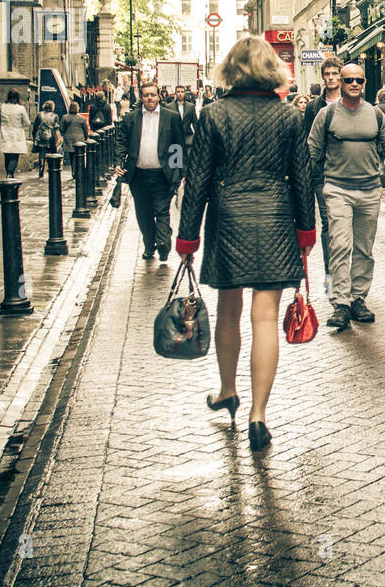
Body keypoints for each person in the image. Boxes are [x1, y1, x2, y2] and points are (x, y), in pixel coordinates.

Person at [175, 36, 316, 452]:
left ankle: (226, 390)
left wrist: (187, 236)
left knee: (228, 312)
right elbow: (302, 177)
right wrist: (306, 231)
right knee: (266, 318)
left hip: (228, 218)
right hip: (275, 218)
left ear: (231, 68)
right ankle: (258, 413)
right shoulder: (289, 116)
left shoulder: (214, 115)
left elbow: (197, 179)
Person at [307, 62, 385, 331]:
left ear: (365, 84)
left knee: (364, 249)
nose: (354, 84)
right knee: (340, 245)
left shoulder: (375, 115)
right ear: (341, 82)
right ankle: (340, 304)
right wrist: (299, 186)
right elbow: (311, 152)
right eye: (349, 79)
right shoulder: (327, 115)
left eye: (359, 80)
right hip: (337, 189)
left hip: (369, 190)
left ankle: (358, 299)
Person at [115, 82, 186, 261]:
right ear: (142, 97)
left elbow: (177, 146)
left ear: (158, 96)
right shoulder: (131, 118)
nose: (149, 98)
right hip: (138, 176)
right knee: (143, 214)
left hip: (162, 175)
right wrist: (118, 162)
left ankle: (163, 243)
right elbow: (122, 142)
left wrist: (178, 173)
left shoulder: (171, 117)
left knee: (162, 210)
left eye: (152, 95)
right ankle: (149, 244)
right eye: (146, 95)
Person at [303, 57, 343, 276]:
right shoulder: (313, 107)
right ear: (323, 77)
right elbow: (307, 140)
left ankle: (346, 273)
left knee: (347, 226)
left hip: (347, 172)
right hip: (322, 174)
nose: (331, 78)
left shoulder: (352, 101)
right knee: (328, 224)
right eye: (327, 74)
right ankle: (331, 275)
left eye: (335, 74)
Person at [0, 88, 31, 178]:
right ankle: (10, 174)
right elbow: (27, 123)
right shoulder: (21, 109)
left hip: (4, 133)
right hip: (17, 134)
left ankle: (8, 173)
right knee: (14, 156)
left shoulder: (1, 106)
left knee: (7, 155)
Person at [60, 100, 91, 182]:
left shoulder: (65, 117)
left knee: (71, 155)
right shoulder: (82, 118)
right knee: (78, 156)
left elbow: (61, 129)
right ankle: (77, 171)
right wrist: (86, 138)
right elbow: (85, 130)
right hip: (79, 139)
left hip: (69, 138)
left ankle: (73, 170)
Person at [31, 100, 61, 177]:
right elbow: (56, 128)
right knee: (53, 152)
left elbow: (35, 126)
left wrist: (34, 135)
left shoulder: (39, 115)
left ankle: (41, 169)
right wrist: (58, 138)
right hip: (51, 136)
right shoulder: (55, 116)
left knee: (42, 153)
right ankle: (53, 168)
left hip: (41, 136)